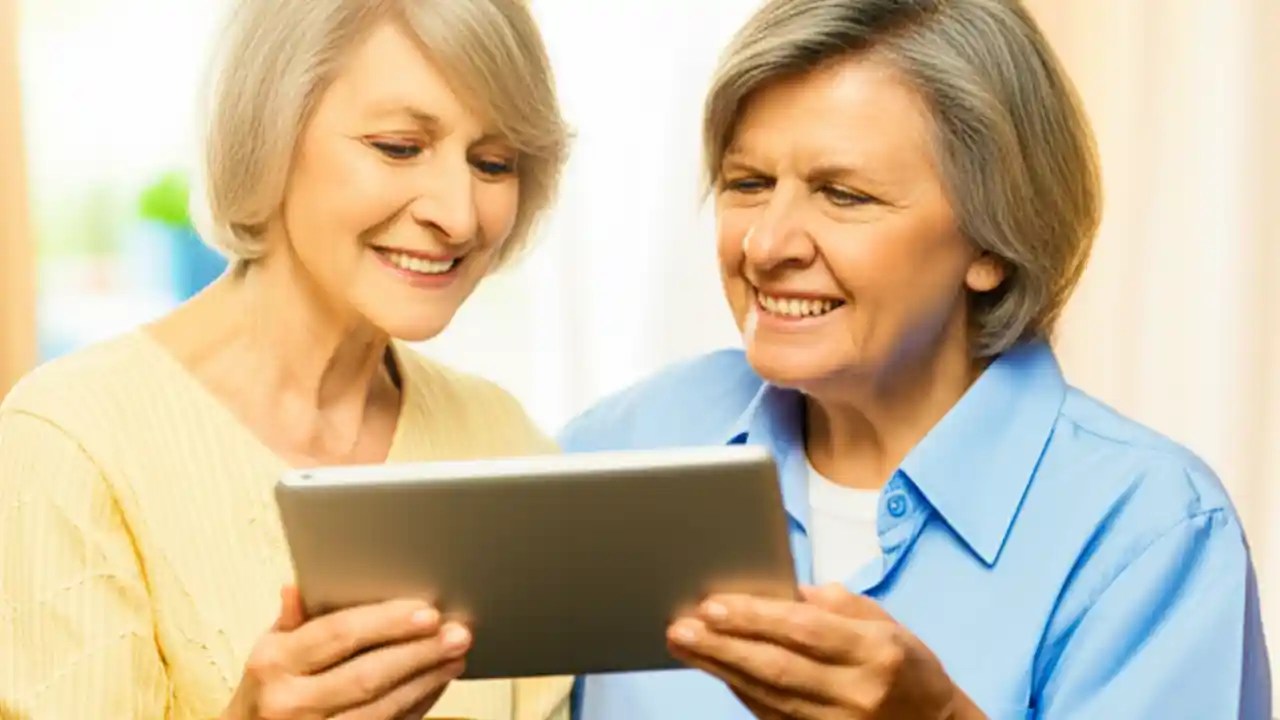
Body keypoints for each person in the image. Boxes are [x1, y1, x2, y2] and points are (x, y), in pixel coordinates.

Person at [559, 0, 1271, 718]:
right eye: (749, 184)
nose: (767, 246)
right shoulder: (610, 454)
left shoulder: (1149, 531)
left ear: (993, 243)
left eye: (844, 195)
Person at [0, 0, 572, 718]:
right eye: (399, 146)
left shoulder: (501, 437)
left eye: (493, 163)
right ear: (267, 130)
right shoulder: (69, 441)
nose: (459, 215)